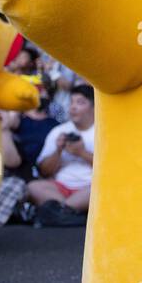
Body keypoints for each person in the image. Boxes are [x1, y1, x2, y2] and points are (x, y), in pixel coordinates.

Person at [28, 85, 95, 225]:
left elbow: (112, 171)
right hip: (60, 188)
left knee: (98, 191)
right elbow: (45, 171)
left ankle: (57, 212)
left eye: (80, 103)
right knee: (33, 187)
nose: (73, 107)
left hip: (89, 187)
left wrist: (82, 153)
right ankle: (68, 212)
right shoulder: (58, 131)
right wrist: (58, 151)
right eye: (71, 102)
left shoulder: (102, 131)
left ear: (94, 108)